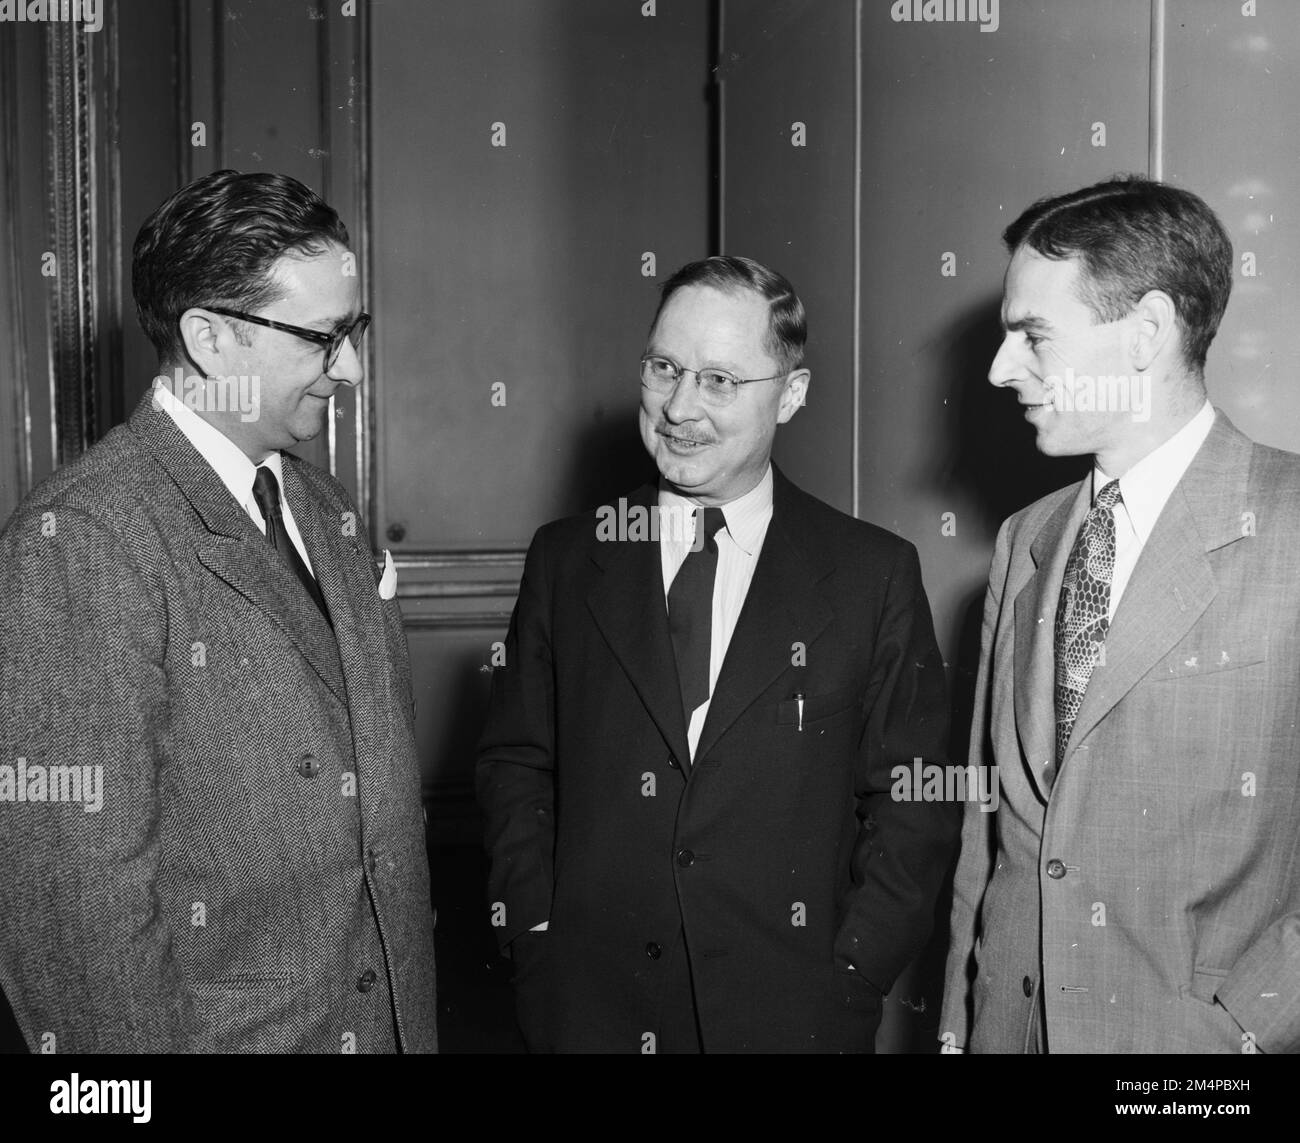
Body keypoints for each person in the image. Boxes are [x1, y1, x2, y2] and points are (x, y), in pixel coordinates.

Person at [0, 170, 437, 1053]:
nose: (350, 367)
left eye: (352, 332)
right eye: (325, 338)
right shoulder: (83, 540)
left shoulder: (323, 506)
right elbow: (75, 926)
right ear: (209, 337)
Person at [477, 255, 956, 1052]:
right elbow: (515, 764)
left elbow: (913, 804)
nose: (678, 405)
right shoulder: (568, 558)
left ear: (792, 394)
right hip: (588, 1013)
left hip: (792, 1022)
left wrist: (852, 978)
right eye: (664, 366)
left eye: (720, 380)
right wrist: (533, 935)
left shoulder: (873, 574)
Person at [940, 175, 1300, 1053]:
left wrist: (1255, 1025)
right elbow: (990, 826)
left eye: (1033, 335)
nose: (998, 369)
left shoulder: (1290, 525)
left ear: (1145, 333)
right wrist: (959, 1025)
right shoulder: (1029, 538)